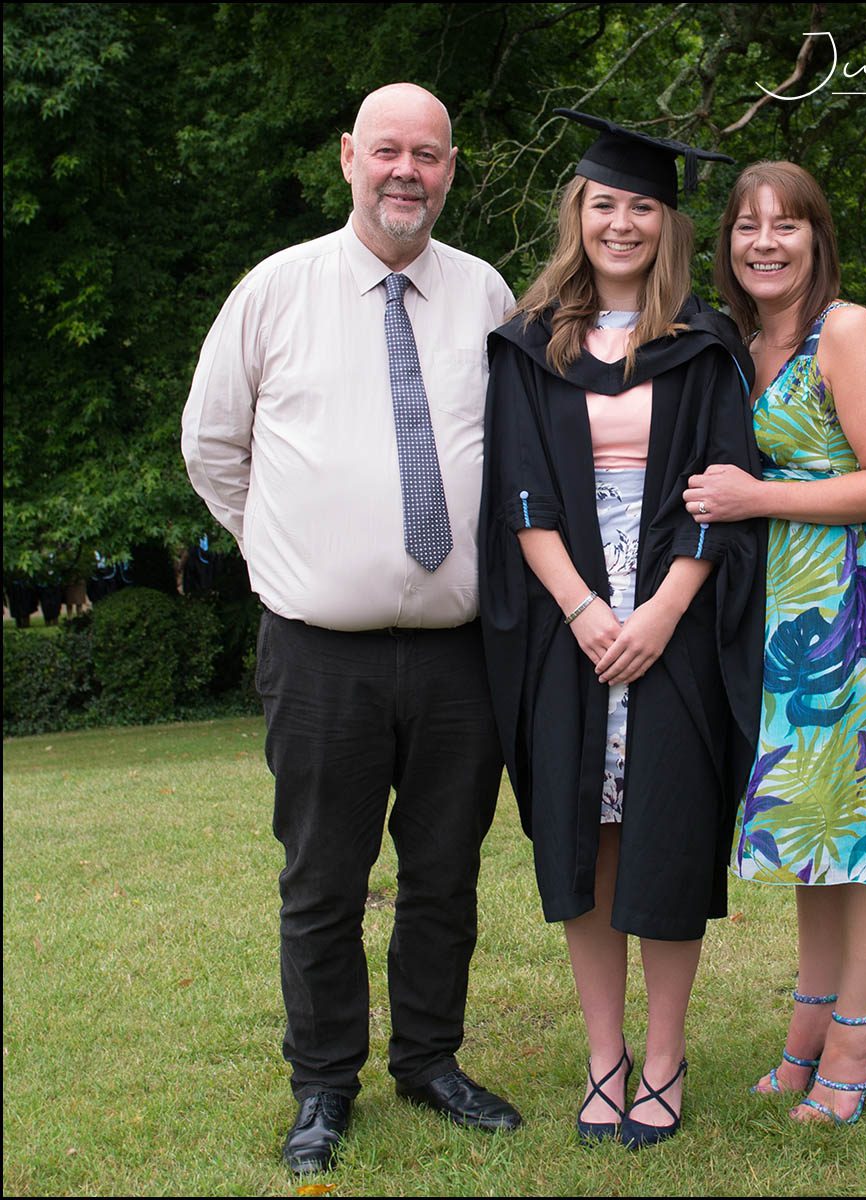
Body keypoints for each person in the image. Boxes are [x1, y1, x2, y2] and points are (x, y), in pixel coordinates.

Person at [182, 82, 521, 1175]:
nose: (405, 171)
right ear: (348, 158)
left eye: (427, 153)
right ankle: (324, 1084)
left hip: (460, 653)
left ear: (451, 169)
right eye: (387, 150)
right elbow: (211, 445)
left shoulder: (485, 295)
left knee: (445, 873)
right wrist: (280, 549)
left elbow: (516, 451)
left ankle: (430, 1061)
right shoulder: (275, 291)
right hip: (320, 654)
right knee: (323, 879)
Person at [479, 110, 765, 1150]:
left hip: (675, 620)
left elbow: (723, 489)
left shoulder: (704, 344)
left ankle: (664, 1058)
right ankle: (604, 1059)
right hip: (571, 622)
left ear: (667, 224)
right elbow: (520, 495)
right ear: (578, 213)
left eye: (643, 206)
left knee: (668, 834)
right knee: (586, 834)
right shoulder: (528, 342)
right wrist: (587, 611)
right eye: (605, 204)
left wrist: (663, 612)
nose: (622, 223)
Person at [684, 161, 866, 1126]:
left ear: (818, 238)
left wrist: (758, 496)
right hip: (777, 615)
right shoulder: (743, 344)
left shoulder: (845, 330)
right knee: (815, 826)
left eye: (786, 225)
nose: (765, 242)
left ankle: (858, 1035)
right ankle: (811, 1027)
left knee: (861, 824)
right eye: (747, 226)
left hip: (848, 606)